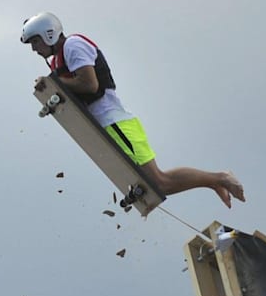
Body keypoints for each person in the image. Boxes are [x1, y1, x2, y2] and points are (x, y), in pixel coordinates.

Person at [21, 12, 245, 209]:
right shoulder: (57, 61)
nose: (34, 49)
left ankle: (219, 178)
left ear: (49, 34)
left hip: (115, 122)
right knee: (155, 185)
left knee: (158, 183)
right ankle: (214, 181)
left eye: (35, 42)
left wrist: (54, 83)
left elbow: (90, 85)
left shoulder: (73, 45)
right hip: (110, 126)